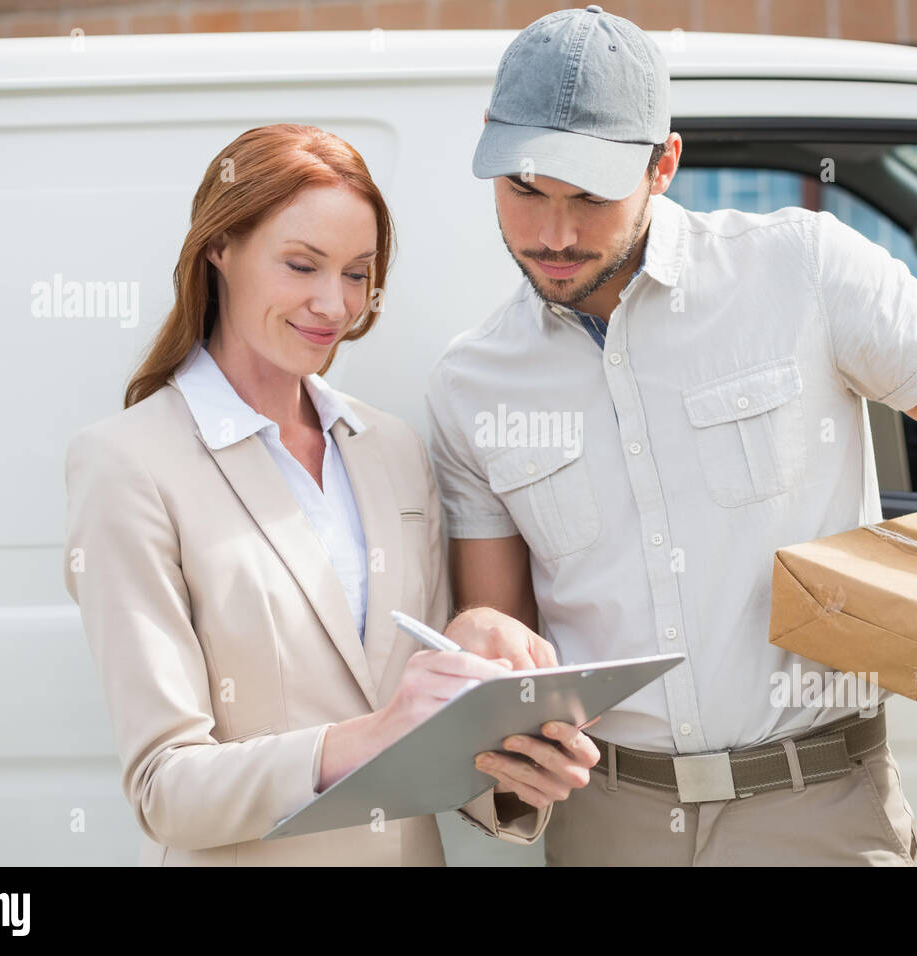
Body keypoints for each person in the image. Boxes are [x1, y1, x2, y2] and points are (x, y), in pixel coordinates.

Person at [426, 5, 917, 866]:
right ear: (488, 145)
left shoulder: (804, 273)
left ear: (663, 164)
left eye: (591, 196)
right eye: (525, 190)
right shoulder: (470, 384)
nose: (554, 234)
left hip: (817, 814)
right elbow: (503, 641)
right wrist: (479, 641)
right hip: (610, 827)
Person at [63, 123, 596, 866]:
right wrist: (372, 737)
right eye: (301, 265)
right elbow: (165, 788)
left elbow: (427, 725)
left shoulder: (391, 450)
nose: (333, 305)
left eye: (356, 273)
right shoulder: (127, 465)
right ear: (219, 248)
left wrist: (514, 770)